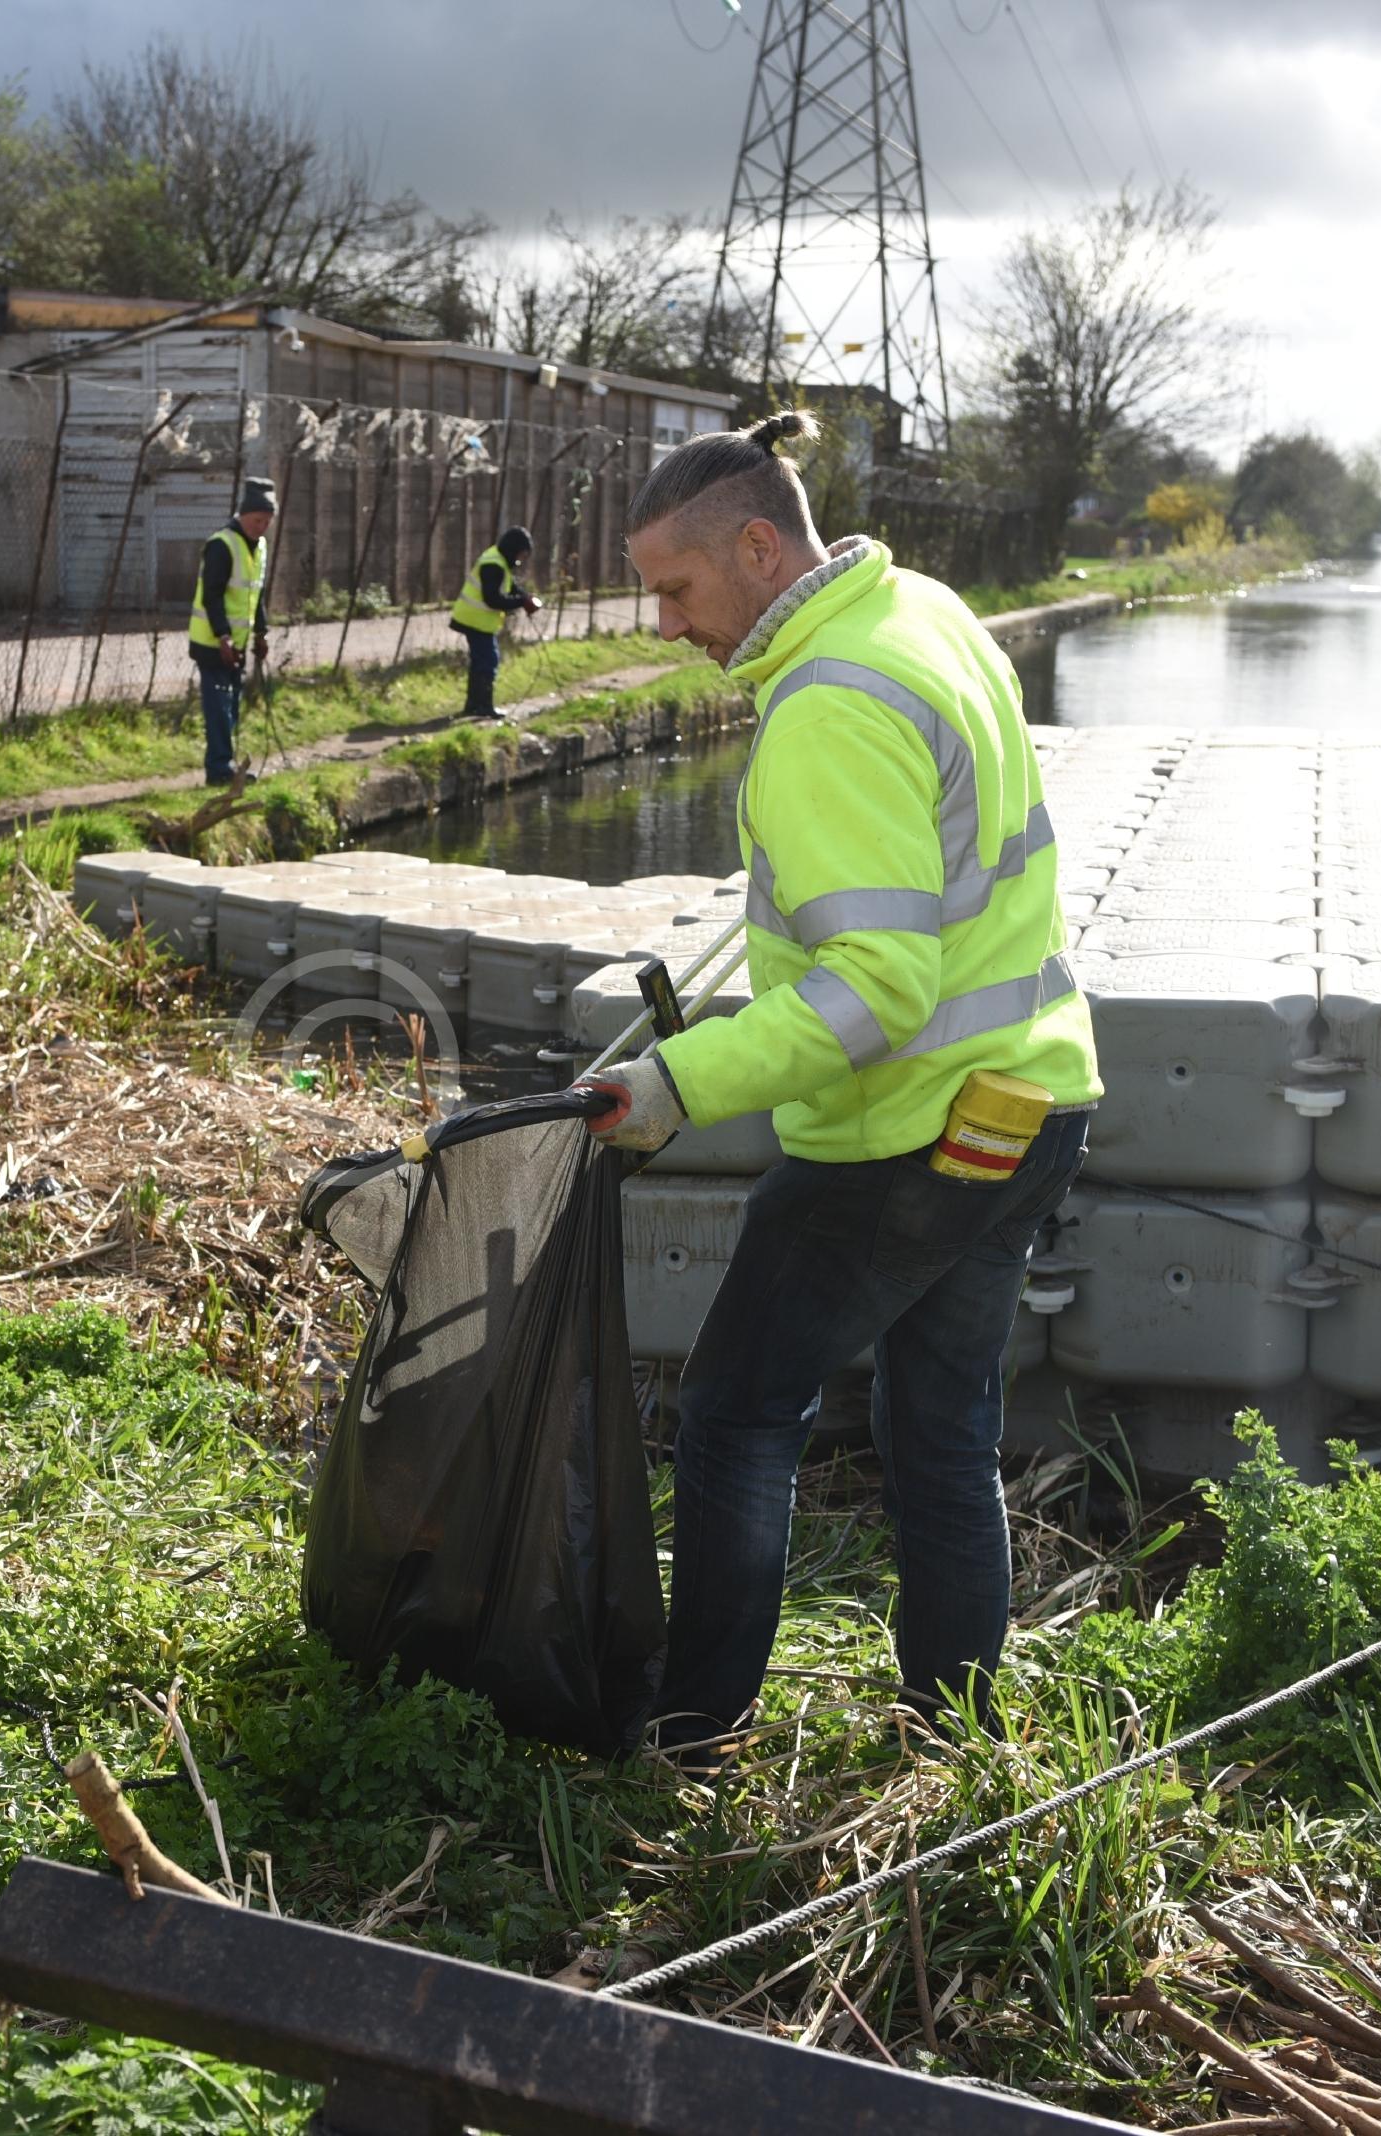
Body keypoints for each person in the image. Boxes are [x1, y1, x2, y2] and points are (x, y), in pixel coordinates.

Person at [570, 412, 1100, 1762]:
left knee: (739, 1414)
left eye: (677, 591)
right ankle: (957, 1730)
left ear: (757, 549)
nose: (670, 625)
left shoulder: (828, 705)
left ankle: (694, 1729)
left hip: (904, 1135)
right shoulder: (918, 612)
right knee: (940, 1425)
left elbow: (877, 991)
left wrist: (678, 1079)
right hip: (1025, 1106)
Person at [188, 478, 276, 786]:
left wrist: (261, 634)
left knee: (231, 705)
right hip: (211, 643)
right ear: (244, 515)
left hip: (235, 643)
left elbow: (255, 595)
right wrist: (223, 636)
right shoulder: (221, 545)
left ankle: (225, 765)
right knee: (218, 706)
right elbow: (212, 595)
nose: (261, 527)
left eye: (266, 522)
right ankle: (218, 769)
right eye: (257, 520)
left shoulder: (259, 547)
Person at [449, 525, 542, 719]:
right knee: (488, 661)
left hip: (475, 619)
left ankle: (473, 706)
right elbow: (493, 599)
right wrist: (521, 602)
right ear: (513, 549)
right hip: (475, 620)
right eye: (521, 554)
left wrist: (525, 597)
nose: (520, 560)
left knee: (479, 662)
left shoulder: (497, 558)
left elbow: (510, 585)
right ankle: (484, 707)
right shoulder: (494, 566)